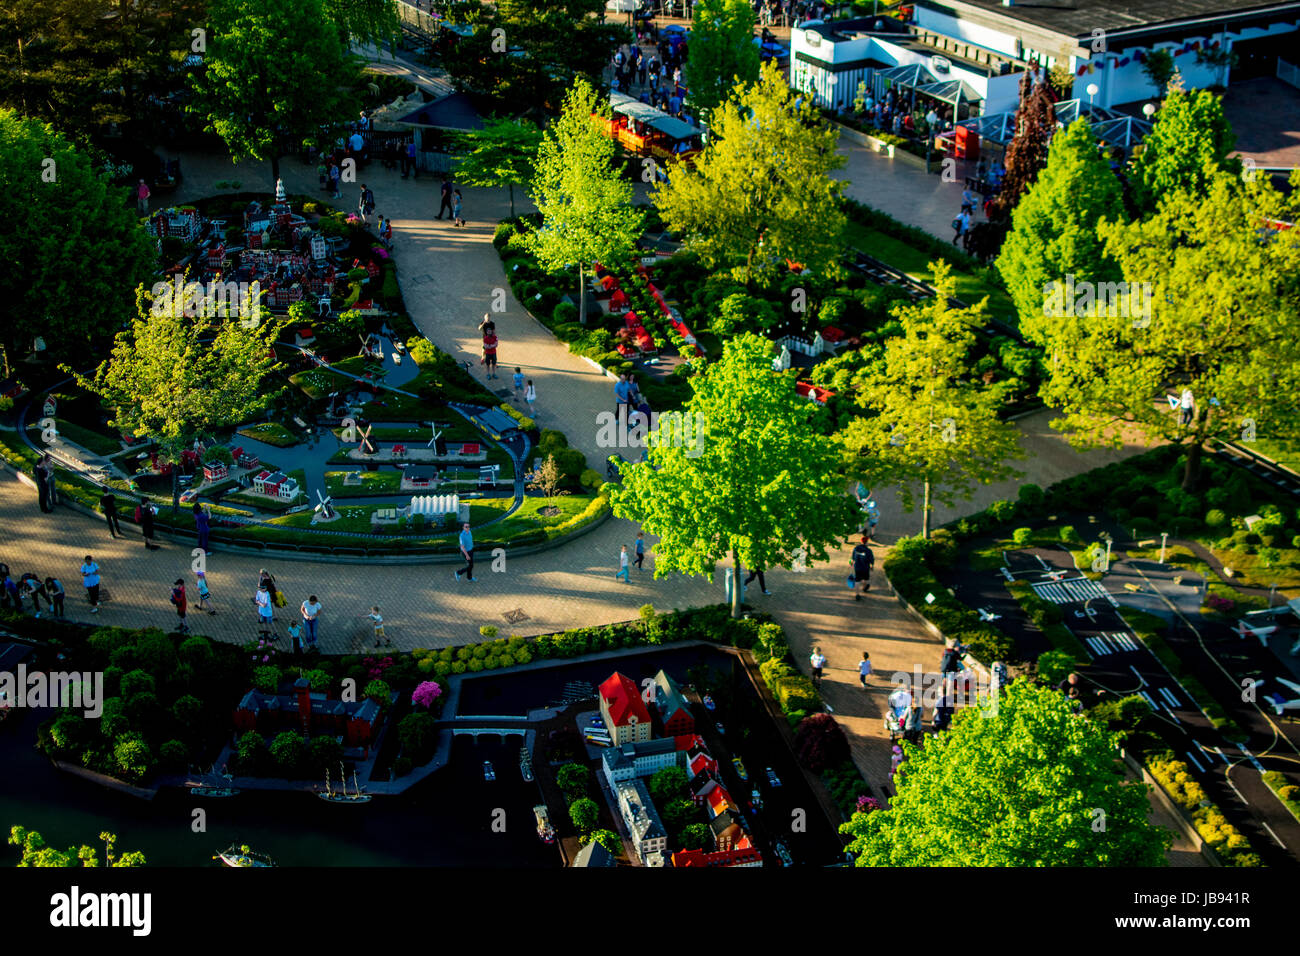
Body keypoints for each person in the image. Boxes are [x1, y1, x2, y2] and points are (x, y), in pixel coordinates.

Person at [850, 537, 873, 601]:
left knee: (857, 580)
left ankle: (857, 594)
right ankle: (864, 588)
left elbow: (852, 558)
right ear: (866, 542)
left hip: (857, 567)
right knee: (866, 579)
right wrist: (871, 566)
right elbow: (871, 560)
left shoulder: (856, 549)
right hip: (865, 568)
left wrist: (851, 563)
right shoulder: (868, 551)